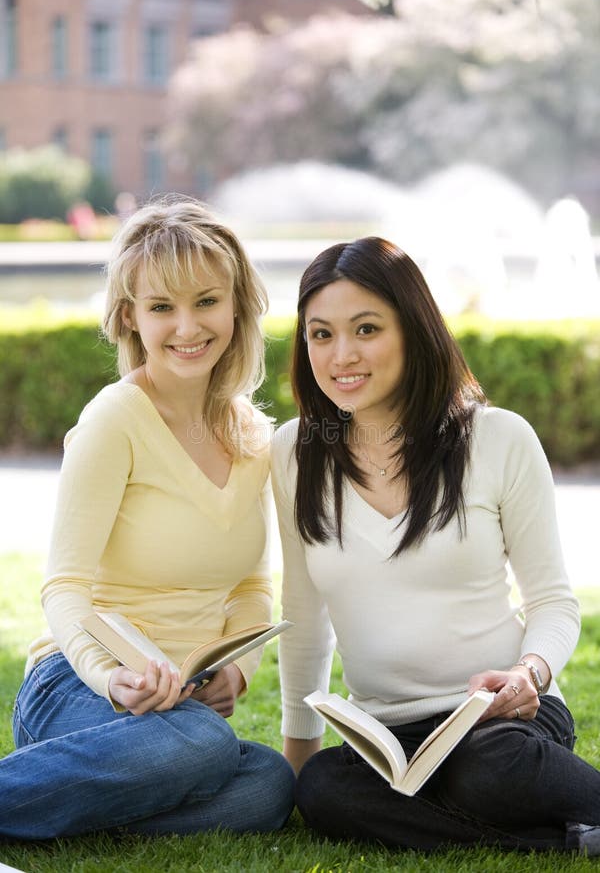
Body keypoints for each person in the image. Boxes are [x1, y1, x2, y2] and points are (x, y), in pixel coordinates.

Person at [271, 236, 600, 855]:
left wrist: (528, 674)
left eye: (366, 329)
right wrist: (299, 759)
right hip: (387, 733)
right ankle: (562, 843)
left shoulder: (499, 439)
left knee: (486, 769)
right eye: (321, 334)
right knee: (324, 789)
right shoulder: (294, 453)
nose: (342, 355)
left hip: (501, 719)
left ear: (414, 329)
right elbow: (304, 618)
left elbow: (554, 602)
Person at [0, 197, 294, 840]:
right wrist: (113, 680)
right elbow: (64, 587)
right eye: (162, 307)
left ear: (237, 305)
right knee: (207, 747)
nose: (187, 327)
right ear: (130, 315)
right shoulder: (115, 419)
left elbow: (251, 588)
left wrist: (235, 673)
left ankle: (80, 809)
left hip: (178, 709)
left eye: (206, 301)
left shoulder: (252, 436)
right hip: (77, 686)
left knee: (269, 783)